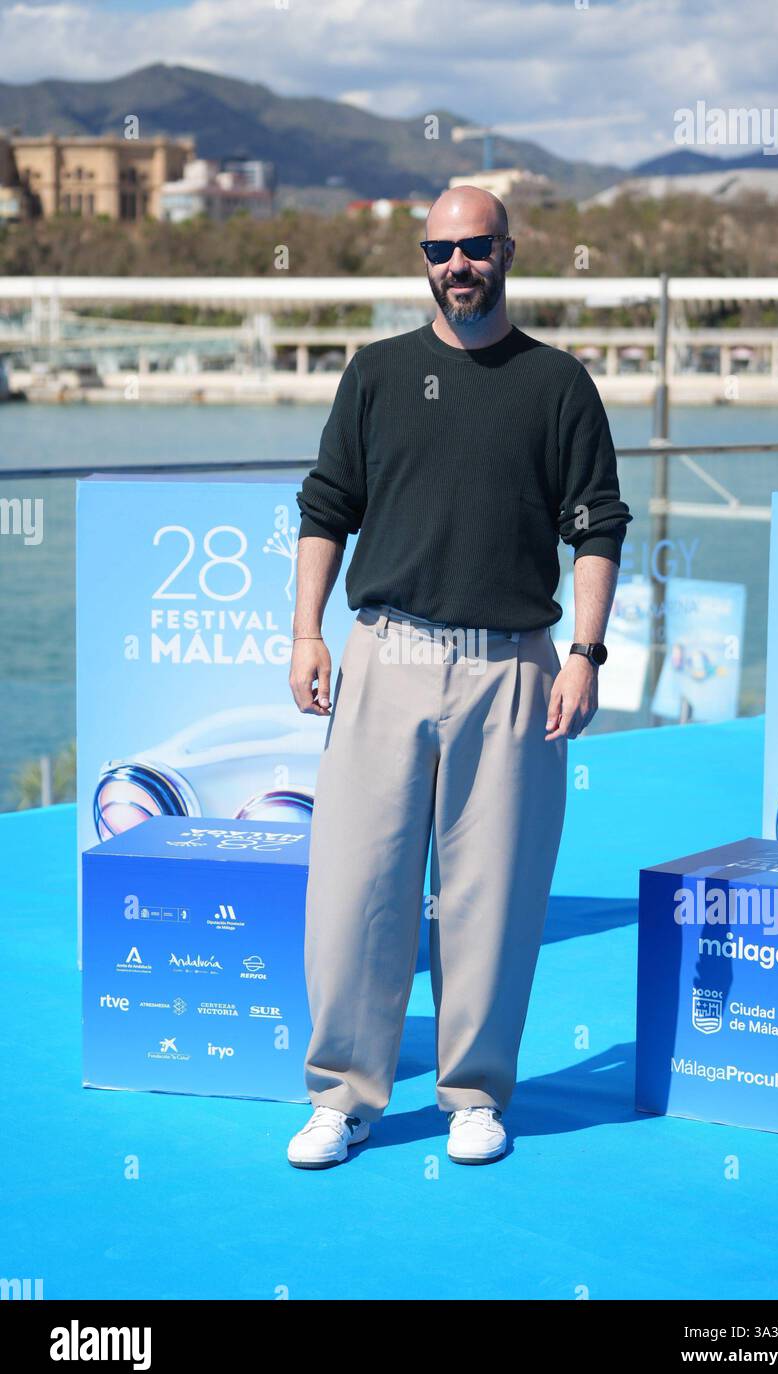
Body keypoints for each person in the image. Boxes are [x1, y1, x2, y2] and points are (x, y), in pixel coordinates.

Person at [286, 185, 632, 1168]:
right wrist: (305, 633)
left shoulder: (556, 383)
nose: (456, 265)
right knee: (355, 889)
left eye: (474, 246)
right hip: (382, 656)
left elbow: (597, 525)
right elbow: (326, 505)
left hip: (511, 671)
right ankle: (342, 1098)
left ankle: (473, 1093)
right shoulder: (377, 373)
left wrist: (586, 653)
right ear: (423, 260)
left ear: (506, 251)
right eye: (438, 250)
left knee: (492, 894)